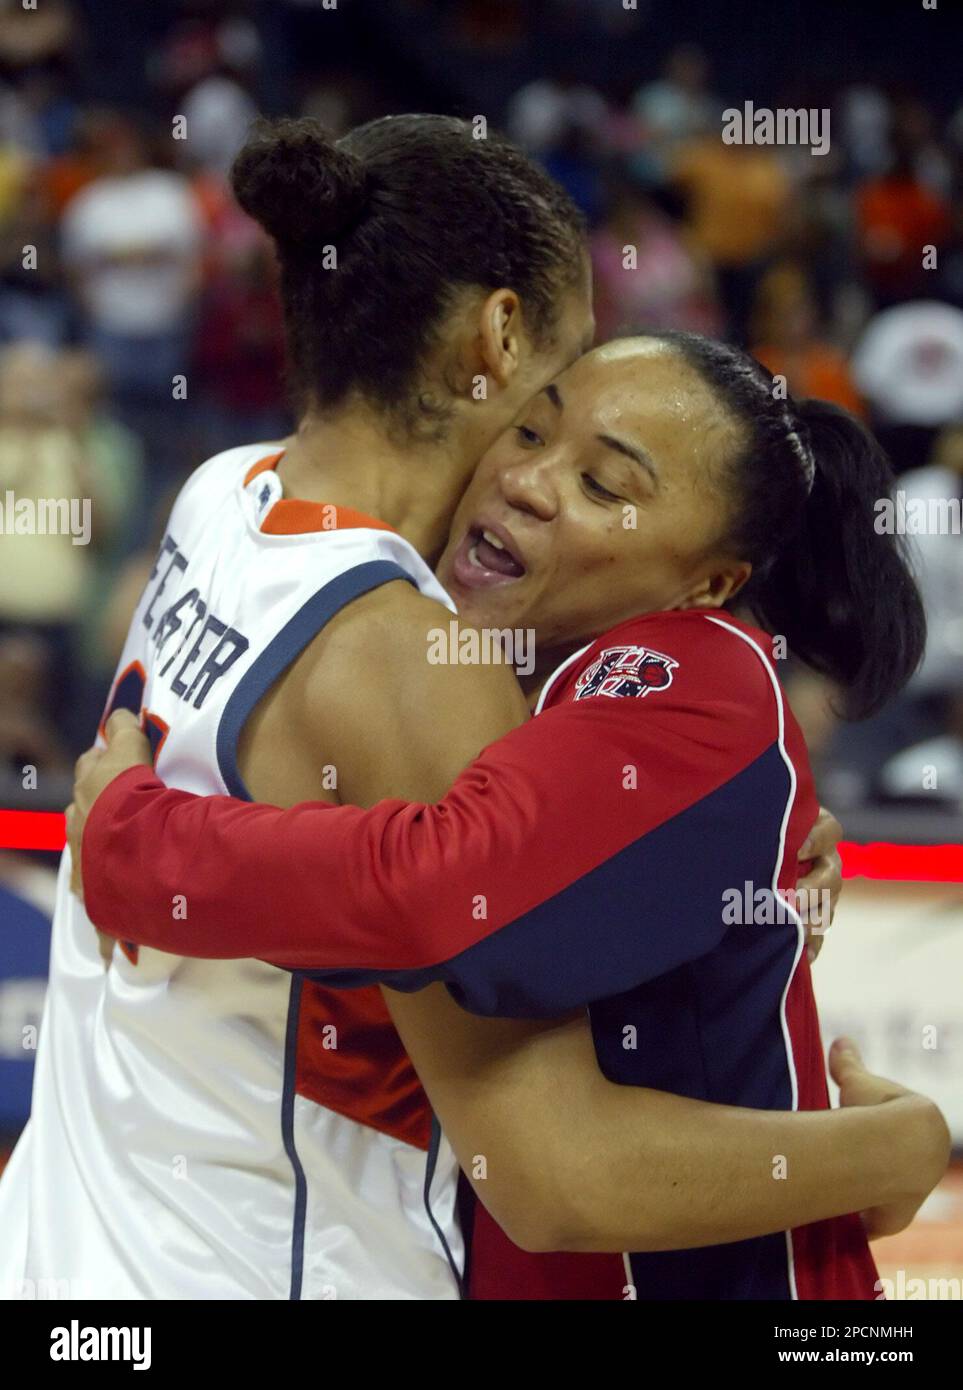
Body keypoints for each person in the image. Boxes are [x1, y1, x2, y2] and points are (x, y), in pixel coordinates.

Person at [71, 332, 943, 1301]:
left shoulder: (696, 670)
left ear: (712, 584)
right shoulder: (499, 648)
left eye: (606, 487)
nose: (527, 481)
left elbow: (447, 893)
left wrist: (138, 840)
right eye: (530, 429)